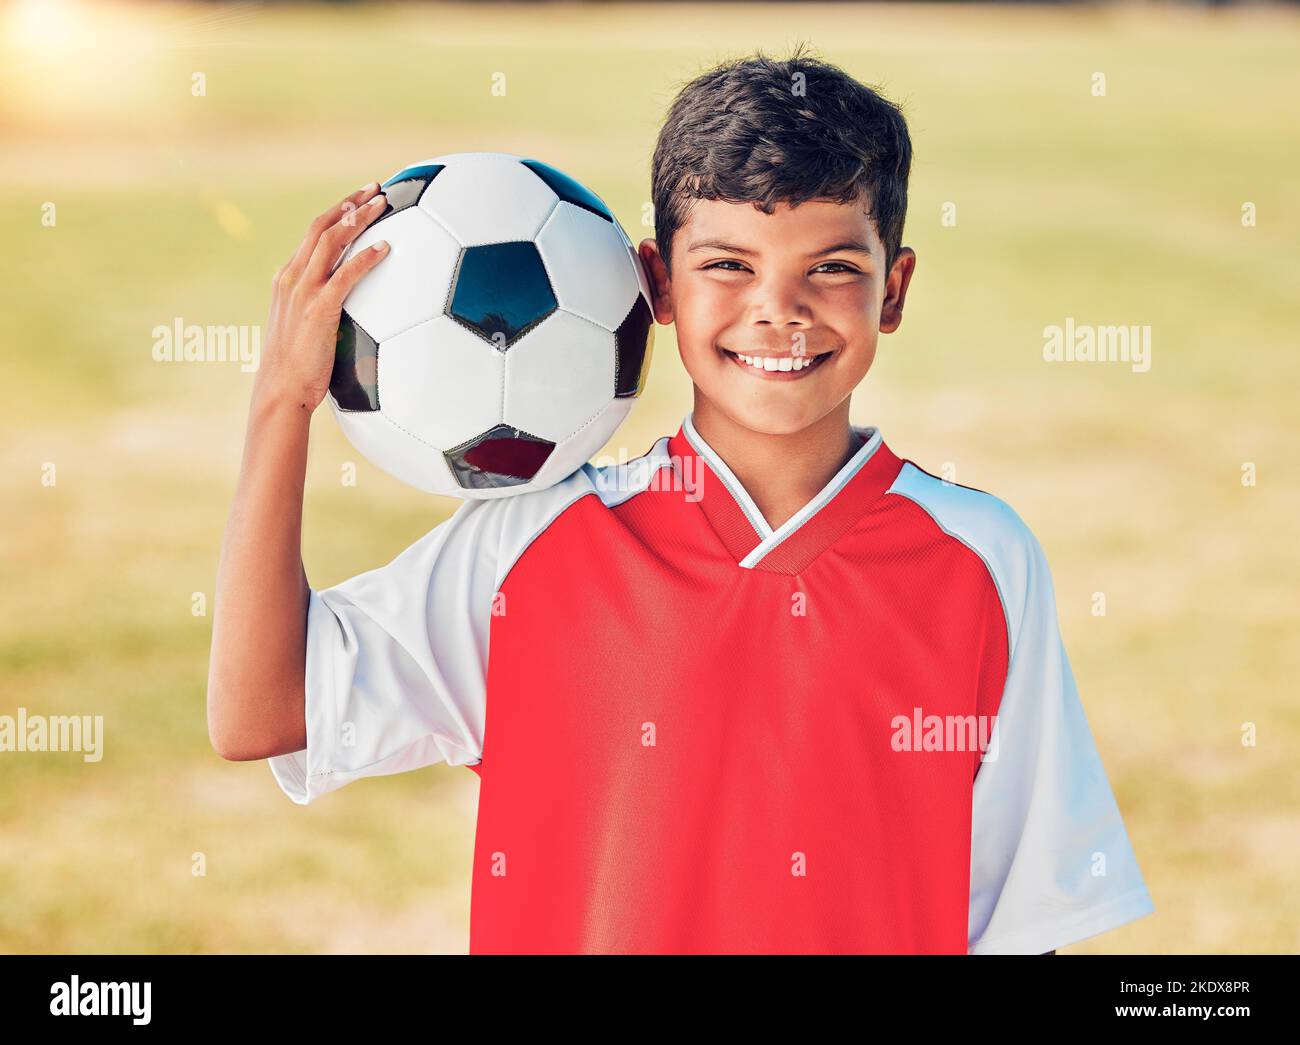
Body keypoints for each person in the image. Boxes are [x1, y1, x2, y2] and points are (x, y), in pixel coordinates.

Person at [207, 44, 1154, 955]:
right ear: (657, 281)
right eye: (729, 265)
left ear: (894, 288)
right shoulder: (533, 545)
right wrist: (279, 405)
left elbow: (1025, 920)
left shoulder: (982, 560)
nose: (778, 310)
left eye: (832, 266)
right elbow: (260, 713)